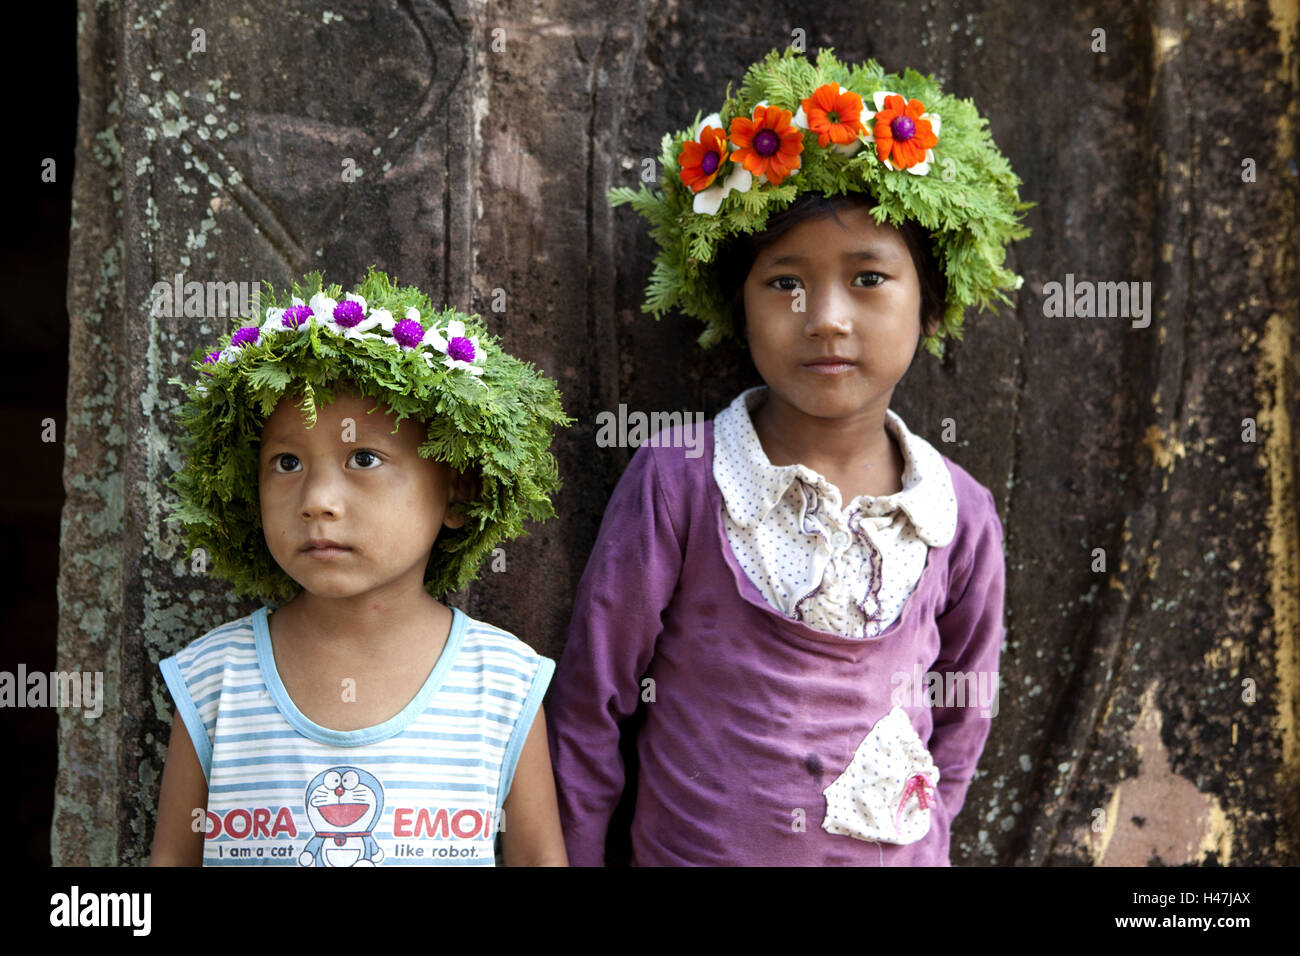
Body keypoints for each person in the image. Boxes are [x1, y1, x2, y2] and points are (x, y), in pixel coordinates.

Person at [548, 48, 1033, 865]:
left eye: (870, 278)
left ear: (933, 302)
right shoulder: (683, 482)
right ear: (736, 304)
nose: (827, 319)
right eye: (785, 284)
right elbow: (591, 705)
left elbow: (962, 712)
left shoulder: (959, 515)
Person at [149, 268, 572, 866]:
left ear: (457, 490)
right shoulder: (214, 682)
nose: (317, 499)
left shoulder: (502, 684)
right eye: (287, 462)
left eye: (364, 457)